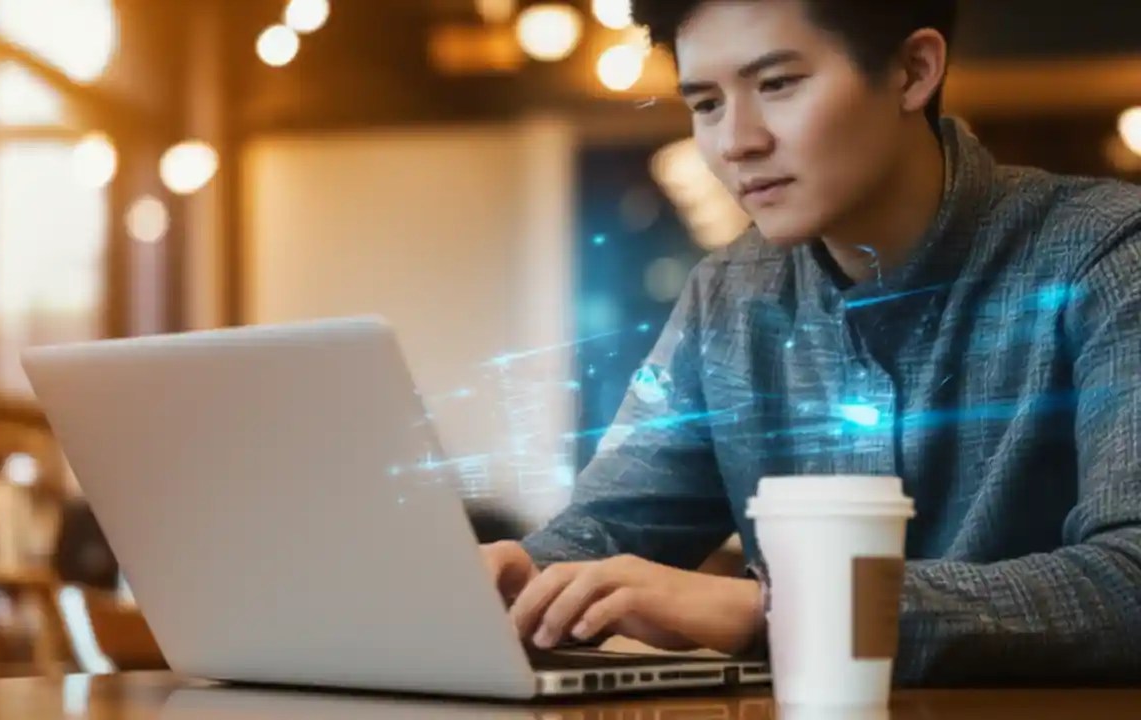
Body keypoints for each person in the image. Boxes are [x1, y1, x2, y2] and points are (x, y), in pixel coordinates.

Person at [483, 0, 1141, 686]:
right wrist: (515, 579)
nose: (736, 141)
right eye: (706, 104)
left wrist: (781, 609)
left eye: (777, 84)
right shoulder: (731, 295)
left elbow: (1132, 581)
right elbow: (605, 532)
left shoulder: (1106, 253)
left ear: (913, 71)